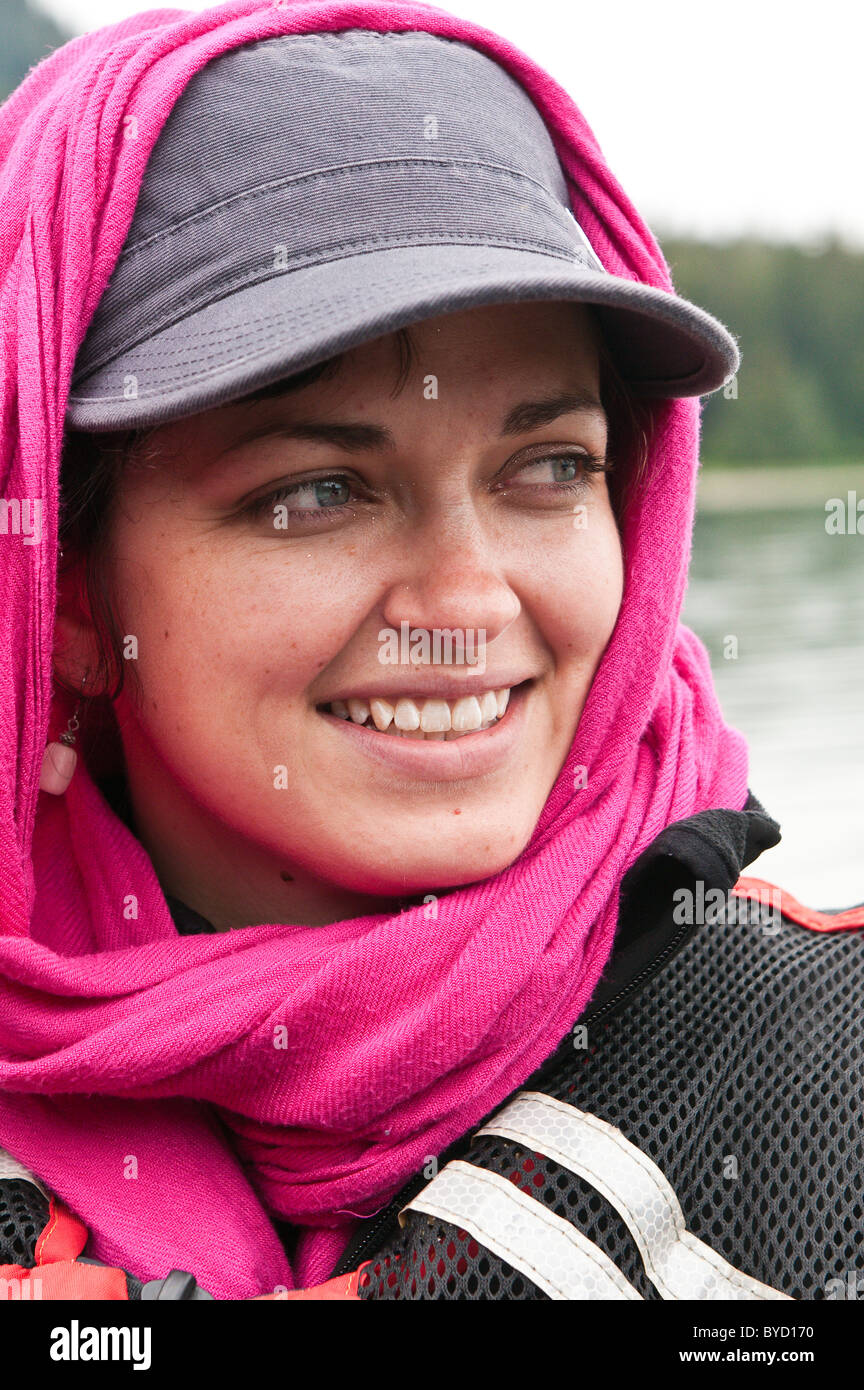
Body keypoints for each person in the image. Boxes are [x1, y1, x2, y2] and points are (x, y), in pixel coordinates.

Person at [0, 0, 861, 1304]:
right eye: (317, 491)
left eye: (550, 466)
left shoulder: (822, 1070)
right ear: (64, 584)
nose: (466, 600)